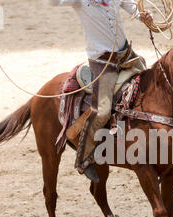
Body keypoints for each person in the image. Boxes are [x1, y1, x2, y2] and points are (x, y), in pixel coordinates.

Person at [48, 0, 152, 182]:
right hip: (103, 62)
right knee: (102, 110)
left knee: (151, 86)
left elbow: (132, 6)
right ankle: (83, 158)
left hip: (126, 55)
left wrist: (144, 16)